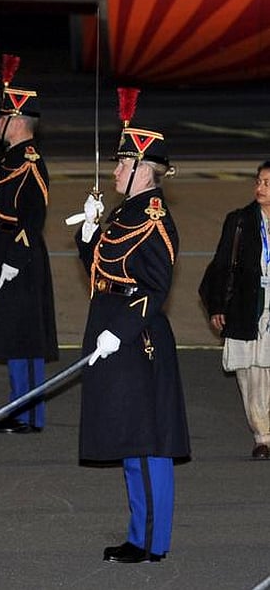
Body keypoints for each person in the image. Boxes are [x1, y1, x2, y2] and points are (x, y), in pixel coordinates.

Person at [75, 92, 190, 563]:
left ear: (144, 168)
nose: (116, 172)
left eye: (123, 163)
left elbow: (154, 287)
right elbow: (106, 271)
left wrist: (119, 331)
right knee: (131, 438)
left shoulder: (155, 219)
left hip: (135, 335)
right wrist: (86, 235)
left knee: (146, 443)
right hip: (113, 325)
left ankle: (149, 542)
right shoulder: (125, 213)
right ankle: (142, 536)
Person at [0, 80, 58, 434]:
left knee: (25, 337)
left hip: (21, 256)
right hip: (1, 248)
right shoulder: (9, 160)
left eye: (3, 117)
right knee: (11, 333)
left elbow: (32, 220)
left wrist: (16, 258)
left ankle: (30, 413)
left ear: (18, 120)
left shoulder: (31, 162)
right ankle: (18, 405)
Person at [199, 160, 270, 459]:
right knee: (252, 372)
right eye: (258, 181)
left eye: (267, 183)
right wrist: (217, 304)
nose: (259, 188)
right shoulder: (240, 221)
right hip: (249, 304)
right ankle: (263, 435)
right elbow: (221, 265)